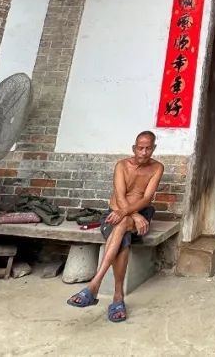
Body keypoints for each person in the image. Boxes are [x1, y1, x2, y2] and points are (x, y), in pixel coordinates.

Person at [67, 130, 164, 322]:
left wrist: (133, 215)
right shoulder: (121, 166)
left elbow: (146, 198)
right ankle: (118, 297)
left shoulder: (157, 168)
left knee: (122, 225)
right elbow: (119, 197)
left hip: (138, 214)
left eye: (148, 148)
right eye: (140, 148)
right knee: (123, 236)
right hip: (117, 213)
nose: (144, 152)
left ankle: (94, 285)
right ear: (134, 148)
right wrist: (132, 215)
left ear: (153, 148)